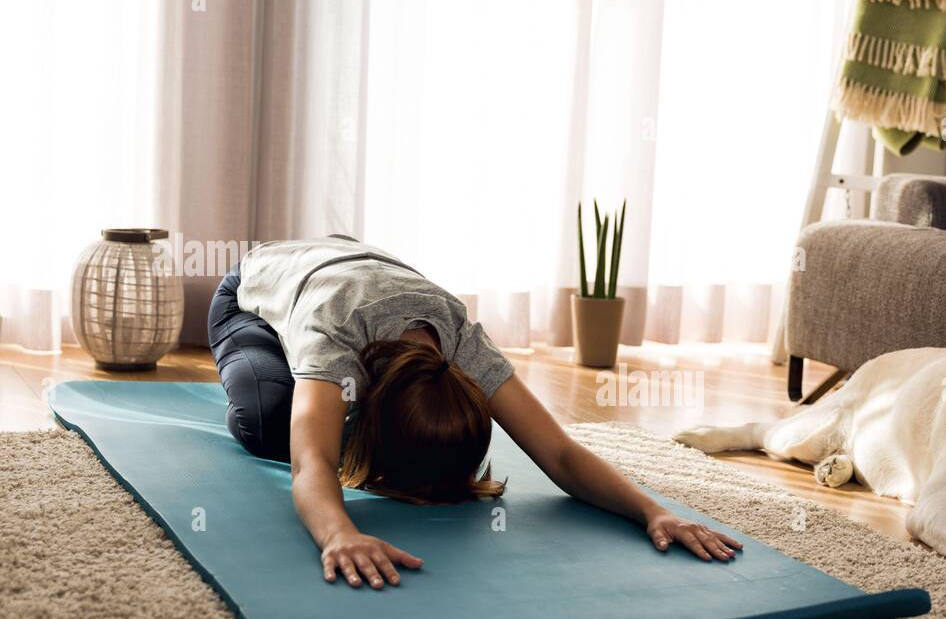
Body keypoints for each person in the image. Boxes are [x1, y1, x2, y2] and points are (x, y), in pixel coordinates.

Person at [207, 235, 741, 588]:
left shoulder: (463, 343)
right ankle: (288, 379)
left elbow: (558, 451)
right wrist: (338, 533)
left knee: (318, 415)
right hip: (256, 290)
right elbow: (313, 465)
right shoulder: (333, 337)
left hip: (350, 264)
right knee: (270, 424)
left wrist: (654, 512)